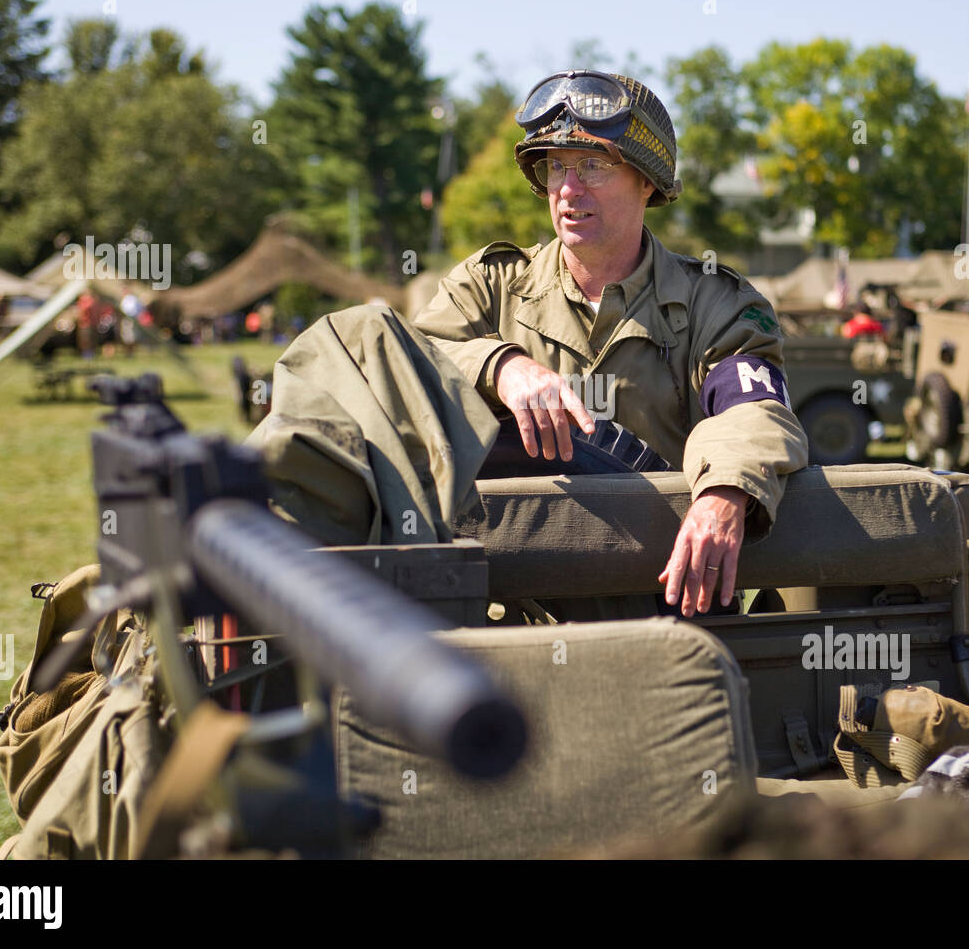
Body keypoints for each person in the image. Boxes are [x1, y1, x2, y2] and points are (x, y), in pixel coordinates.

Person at [250, 70, 809, 619]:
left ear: (647, 180)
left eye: (593, 164)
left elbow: (752, 409)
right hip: (508, 597)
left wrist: (724, 493)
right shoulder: (491, 285)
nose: (568, 188)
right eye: (557, 166)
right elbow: (406, 367)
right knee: (358, 336)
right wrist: (500, 365)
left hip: (655, 588)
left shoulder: (717, 303)